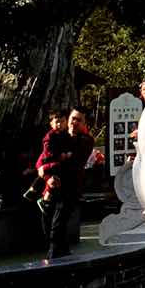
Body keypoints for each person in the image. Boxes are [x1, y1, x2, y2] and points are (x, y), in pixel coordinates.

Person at [42, 108, 94, 260]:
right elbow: (45, 156)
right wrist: (45, 172)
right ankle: (62, 251)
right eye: (73, 118)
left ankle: (53, 255)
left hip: (70, 188)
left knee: (58, 223)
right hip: (53, 186)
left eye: (79, 120)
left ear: (85, 124)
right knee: (48, 219)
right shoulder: (58, 135)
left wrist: (46, 168)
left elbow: (72, 163)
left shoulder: (86, 140)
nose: (74, 122)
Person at [23, 111, 69, 206]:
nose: (59, 124)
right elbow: (48, 149)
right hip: (45, 161)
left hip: (51, 162)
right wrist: (59, 155)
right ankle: (44, 198)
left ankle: (32, 191)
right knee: (52, 177)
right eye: (57, 122)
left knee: (50, 177)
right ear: (51, 124)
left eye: (62, 121)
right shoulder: (50, 135)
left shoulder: (64, 135)